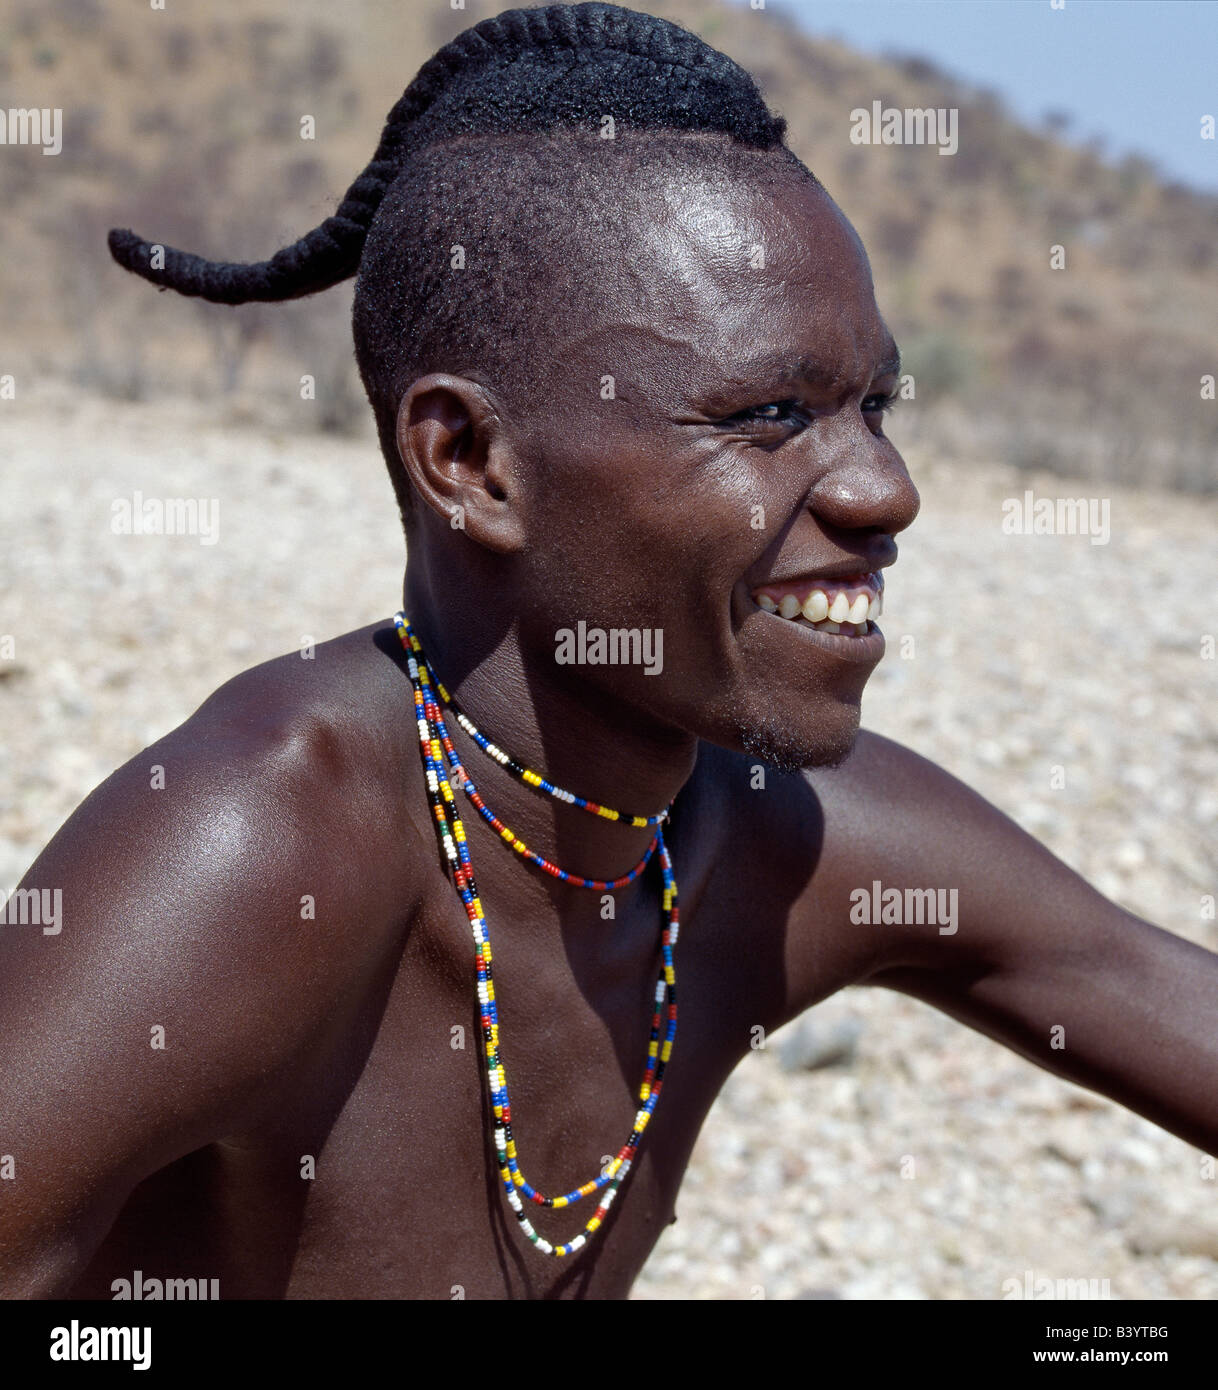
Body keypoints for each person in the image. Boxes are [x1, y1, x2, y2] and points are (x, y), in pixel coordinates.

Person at [3, 1, 1215, 1300]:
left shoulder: (794, 845)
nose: (882, 488)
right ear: (469, 462)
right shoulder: (261, 845)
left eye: (871, 405)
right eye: (767, 415)